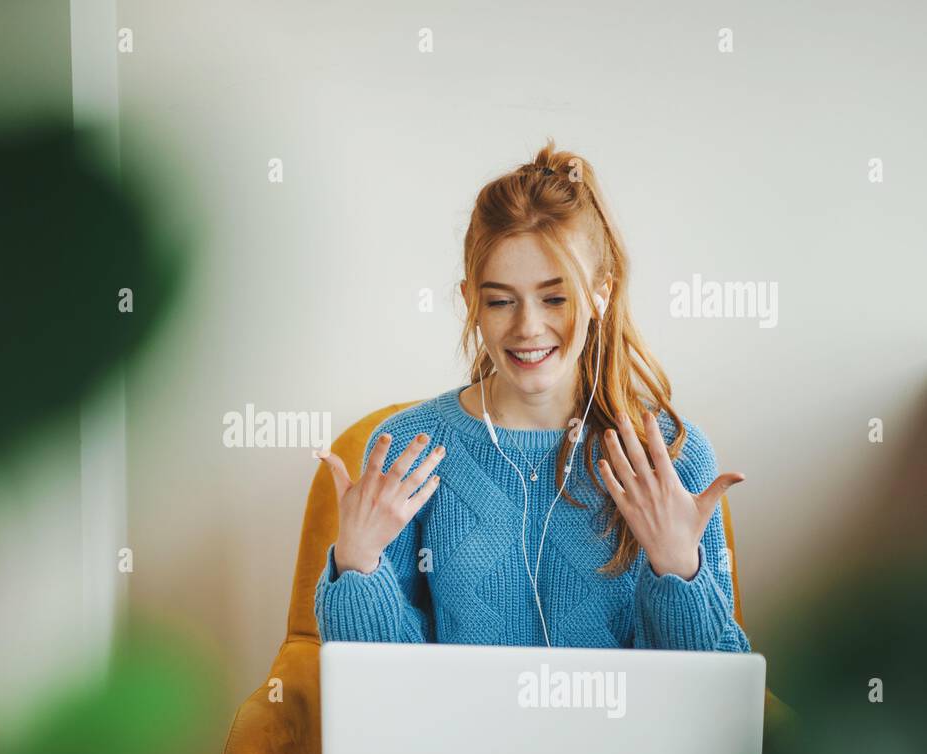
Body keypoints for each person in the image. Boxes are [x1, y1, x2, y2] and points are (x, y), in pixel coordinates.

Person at [314, 140, 749, 650]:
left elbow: (717, 689)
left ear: (601, 294)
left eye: (555, 297)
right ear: (470, 303)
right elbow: (373, 684)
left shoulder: (671, 456)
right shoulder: (410, 450)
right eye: (500, 301)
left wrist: (678, 568)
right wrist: (356, 565)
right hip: (460, 731)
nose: (528, 327)